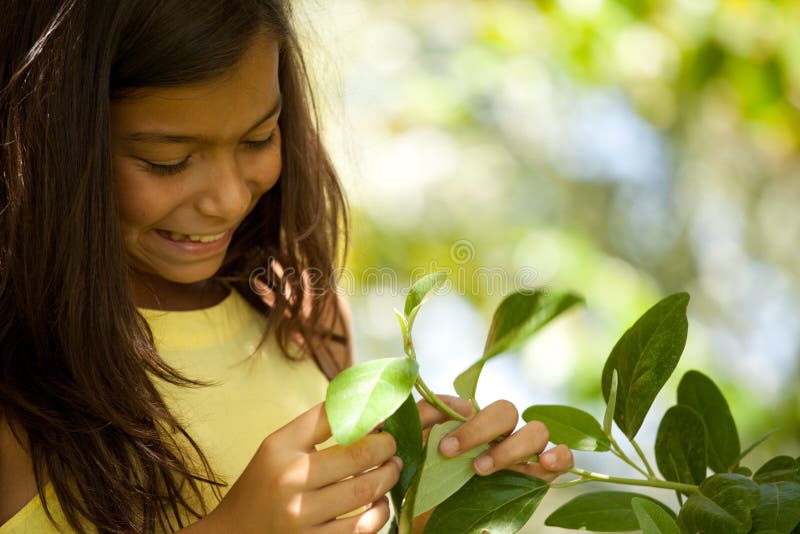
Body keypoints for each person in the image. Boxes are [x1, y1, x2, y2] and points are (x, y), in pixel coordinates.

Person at [0, 1, 574, 532]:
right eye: (167, 162)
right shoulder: (20, 376)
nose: (227, 199)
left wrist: (443, 509)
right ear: (50, 141)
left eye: (258, 138)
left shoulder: (302, 315)